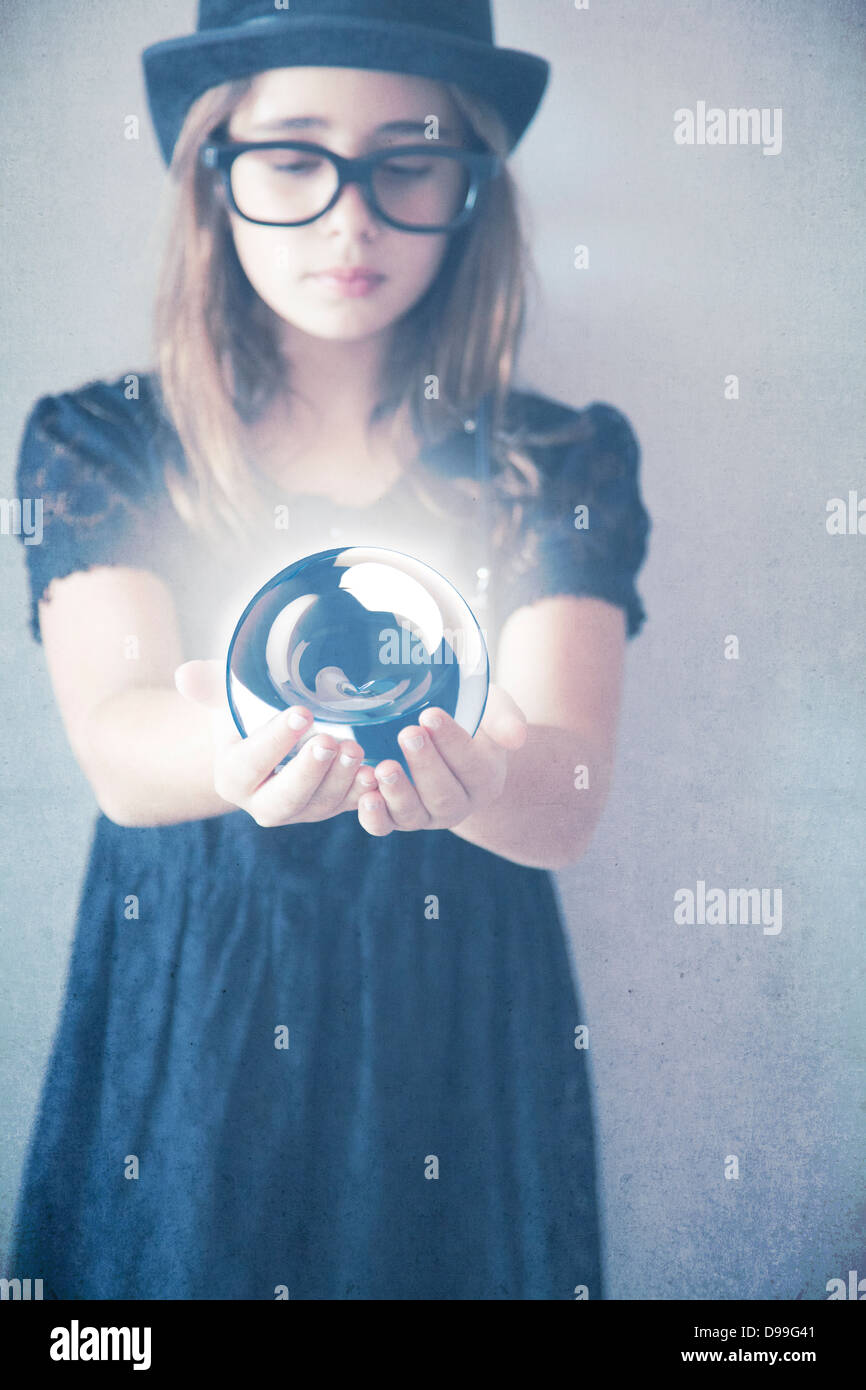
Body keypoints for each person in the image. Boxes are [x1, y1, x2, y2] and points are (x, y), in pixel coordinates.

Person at [7, 0, 651, 1300]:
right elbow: (125, 751)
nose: (351, 217)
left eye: (406, 157)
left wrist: (487, 781)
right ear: (213, 173)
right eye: (294, 155)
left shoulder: (552, 460)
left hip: (451, 1000)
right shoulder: (102, 444)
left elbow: (569, 789)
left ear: (472, 187)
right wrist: (244, 739)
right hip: (196, 995)